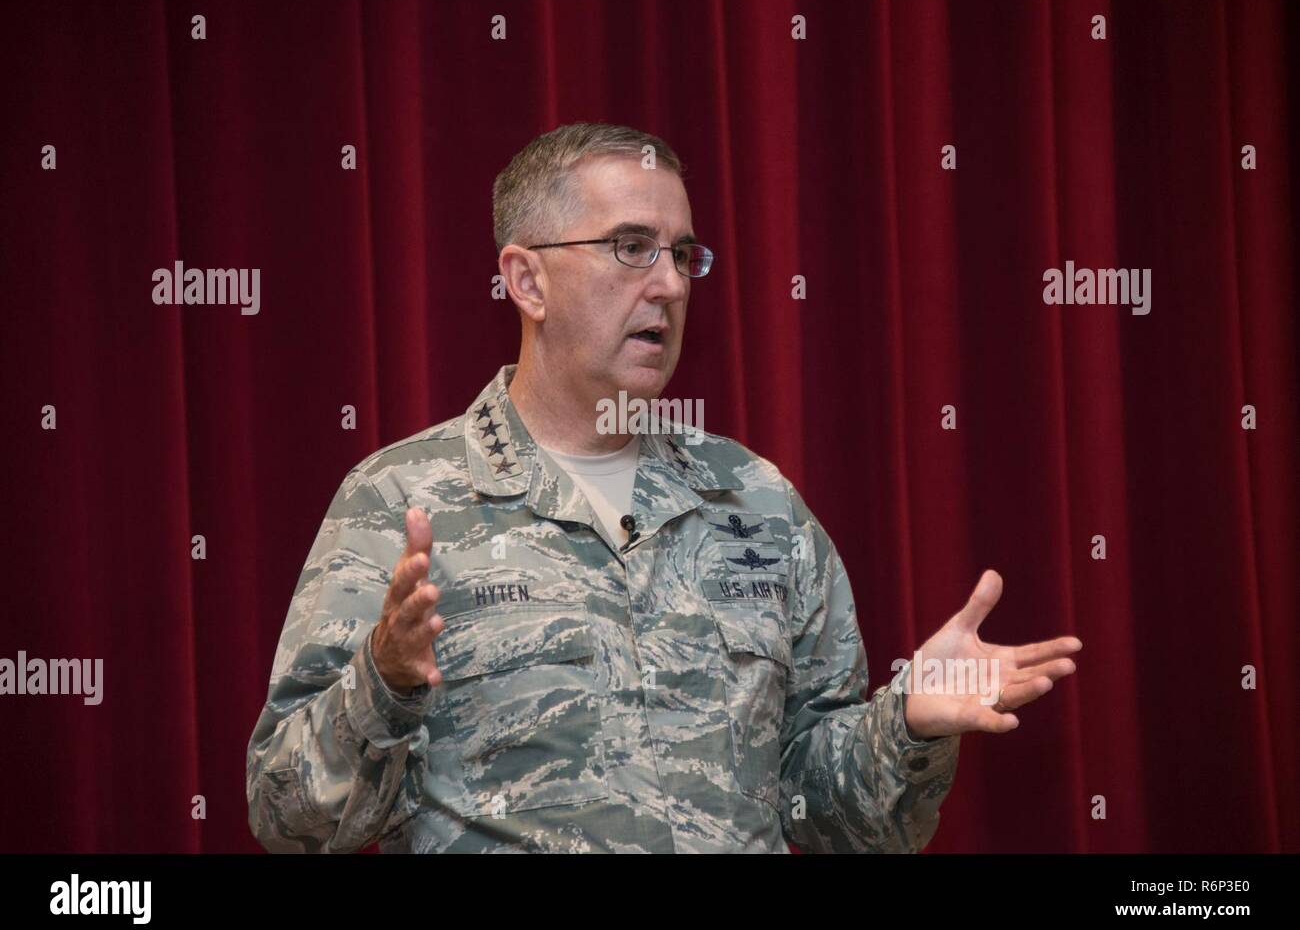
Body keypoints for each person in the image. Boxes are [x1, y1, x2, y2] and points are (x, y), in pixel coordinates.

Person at [245, 121, 1082, 853]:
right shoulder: (400, 499)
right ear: (526, 280)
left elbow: (836, 814)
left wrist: (906, 722)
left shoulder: (756, 501)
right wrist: (381, 684)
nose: (671, 284)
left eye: (682, 254)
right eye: (630, 247)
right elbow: (287, 817)